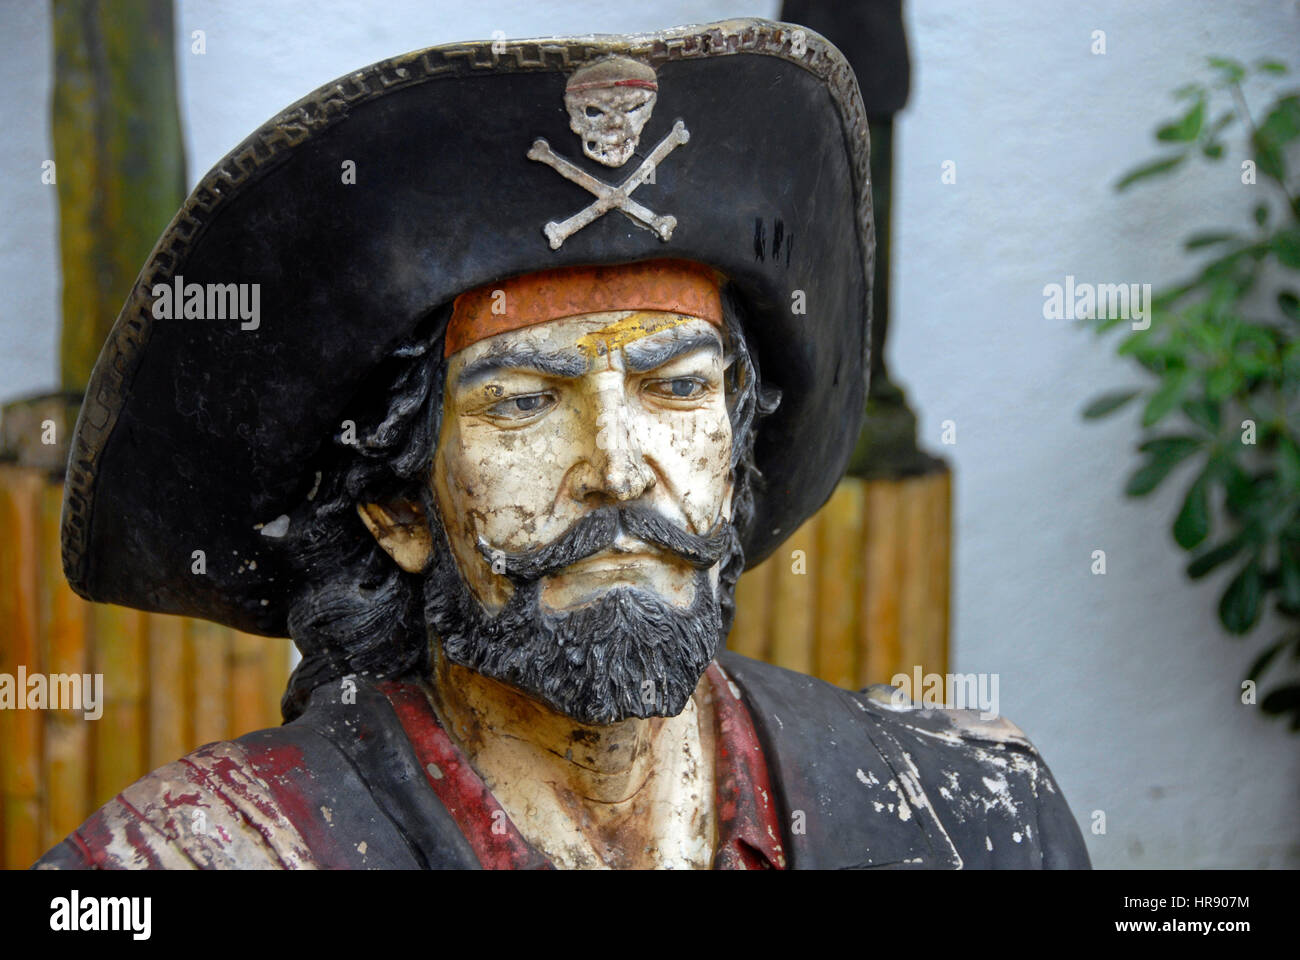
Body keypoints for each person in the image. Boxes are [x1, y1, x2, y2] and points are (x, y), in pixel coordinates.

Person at [37, 18, 1088, 870]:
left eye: (677, 386)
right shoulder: (193, 863)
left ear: (736, 452)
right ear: (397, 508)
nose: (619, 467)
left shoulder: (968, 822)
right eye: (524, 402)